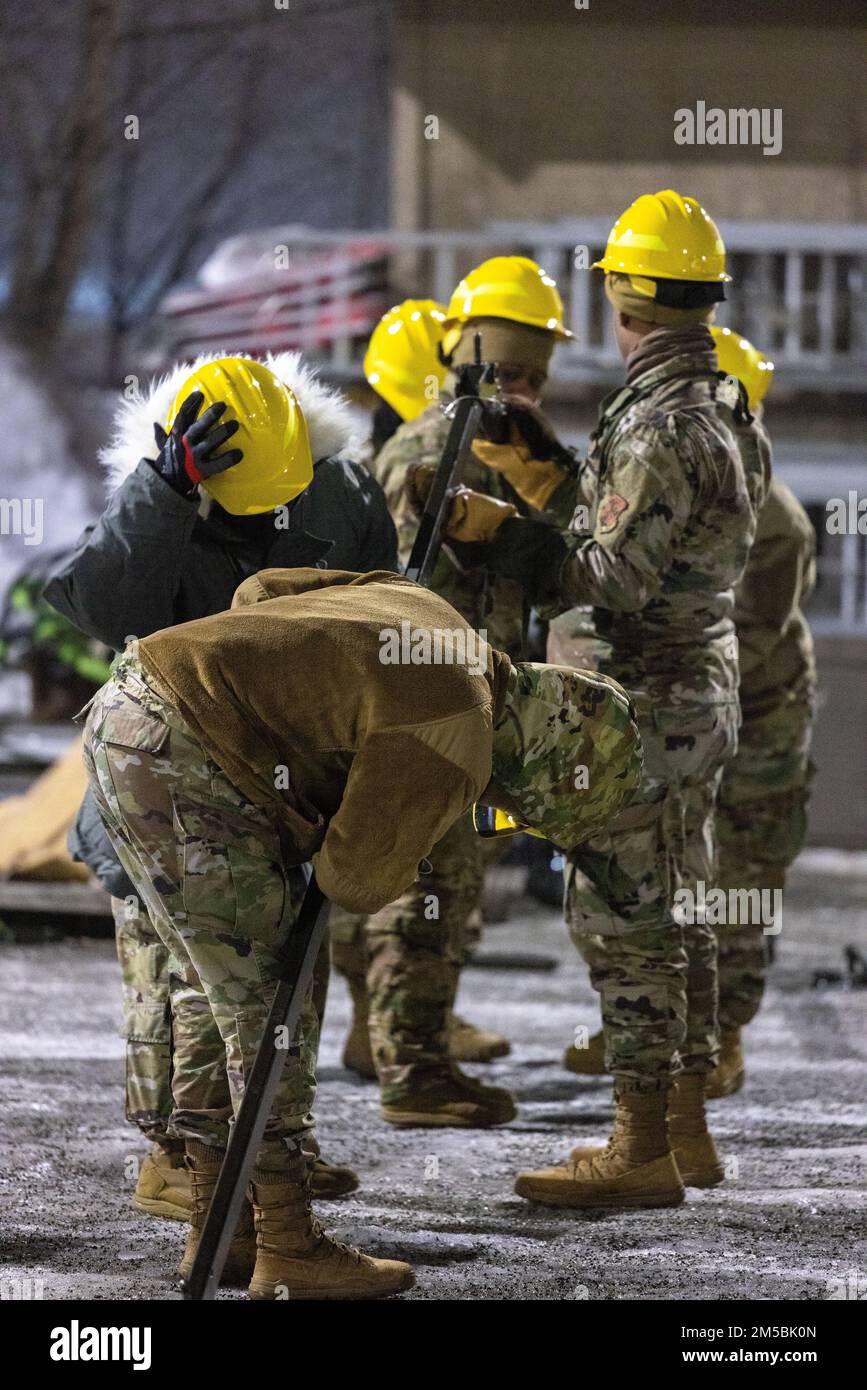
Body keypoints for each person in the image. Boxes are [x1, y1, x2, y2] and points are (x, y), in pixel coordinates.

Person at [81, 566, 643, 1298]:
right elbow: (355, 881)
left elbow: (259, 592)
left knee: (211, 981)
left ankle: (221, 1235)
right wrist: (403, 839)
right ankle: (287, 1246)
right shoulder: (458, 735)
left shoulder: (438, 618)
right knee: (274, 995)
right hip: (192, 756)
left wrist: (283, 702)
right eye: (517, 805)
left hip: (132, 711)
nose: (500, 808)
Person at [431, 191, 771, 1207]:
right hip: (698, 692)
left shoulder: (658, 422)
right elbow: (657, 540)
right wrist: (559, 474)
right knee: (677, 914)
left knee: (624, 923)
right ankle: (686, 1134)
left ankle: (639, 1150)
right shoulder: (719, 407)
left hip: (637, 708)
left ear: (623, 294)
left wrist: (508, 534)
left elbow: (611, 581)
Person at [44, 353, 398, 1217]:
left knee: (278, 976)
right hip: (161, 782)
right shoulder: (159, 502)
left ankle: (267, 1144)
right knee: (175, 979)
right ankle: (175, 1156)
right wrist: (160, 495)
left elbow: (383, 607)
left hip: (281, 783)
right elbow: (95, 600)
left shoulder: (340, 495)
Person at [357, 259, 579, 1128]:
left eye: (534, 376)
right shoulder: (427, 447)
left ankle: (422, 1054)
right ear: (467, 359)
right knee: (420, 889)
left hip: (482, 699)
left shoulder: (516, 451)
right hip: (422, 702)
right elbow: (397, 582)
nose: (522, 390)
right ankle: (409, 1071)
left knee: (451, 885)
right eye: (509, 372)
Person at [708, 327, 817, 1095]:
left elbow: (742, 642)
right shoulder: (700, 489)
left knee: (741, 883)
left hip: (758, 722)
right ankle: (668, 1036)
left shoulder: (773, 520)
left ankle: (723, 1039)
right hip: (703, 711)